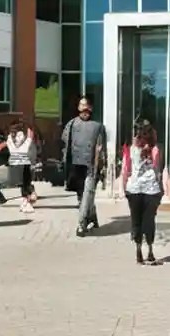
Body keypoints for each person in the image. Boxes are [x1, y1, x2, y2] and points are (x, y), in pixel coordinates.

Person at [120, 119, 164, 265]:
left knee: (136, 220)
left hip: (134, 189)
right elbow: (158, 170)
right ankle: (150, 251)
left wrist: (124, 187)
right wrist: (161, 189)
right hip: (151, 189)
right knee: (149, 220)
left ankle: (138, 251)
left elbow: (126, 170)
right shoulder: (155, 149)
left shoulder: (130, 149)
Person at [62, 97, 106, 237]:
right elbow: (65, 142)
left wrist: (101, 167)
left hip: (90, 166)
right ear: (78, 108)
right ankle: (92, 217)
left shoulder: (98, 126)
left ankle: (81, 224)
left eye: (87, 107)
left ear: (91, 109)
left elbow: (101, 148)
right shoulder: (72, 124)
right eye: (82, 106)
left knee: (87, 193)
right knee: (82, 196)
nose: (84, 110)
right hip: (75, 165)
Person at [6, 119, 38, 213]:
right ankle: (26, 201)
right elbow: (24, 146)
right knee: (24, 183)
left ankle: (26, 200)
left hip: (21, 162)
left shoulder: (14, 137)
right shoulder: (14, 137)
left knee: (25, 183)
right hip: (21, 162)